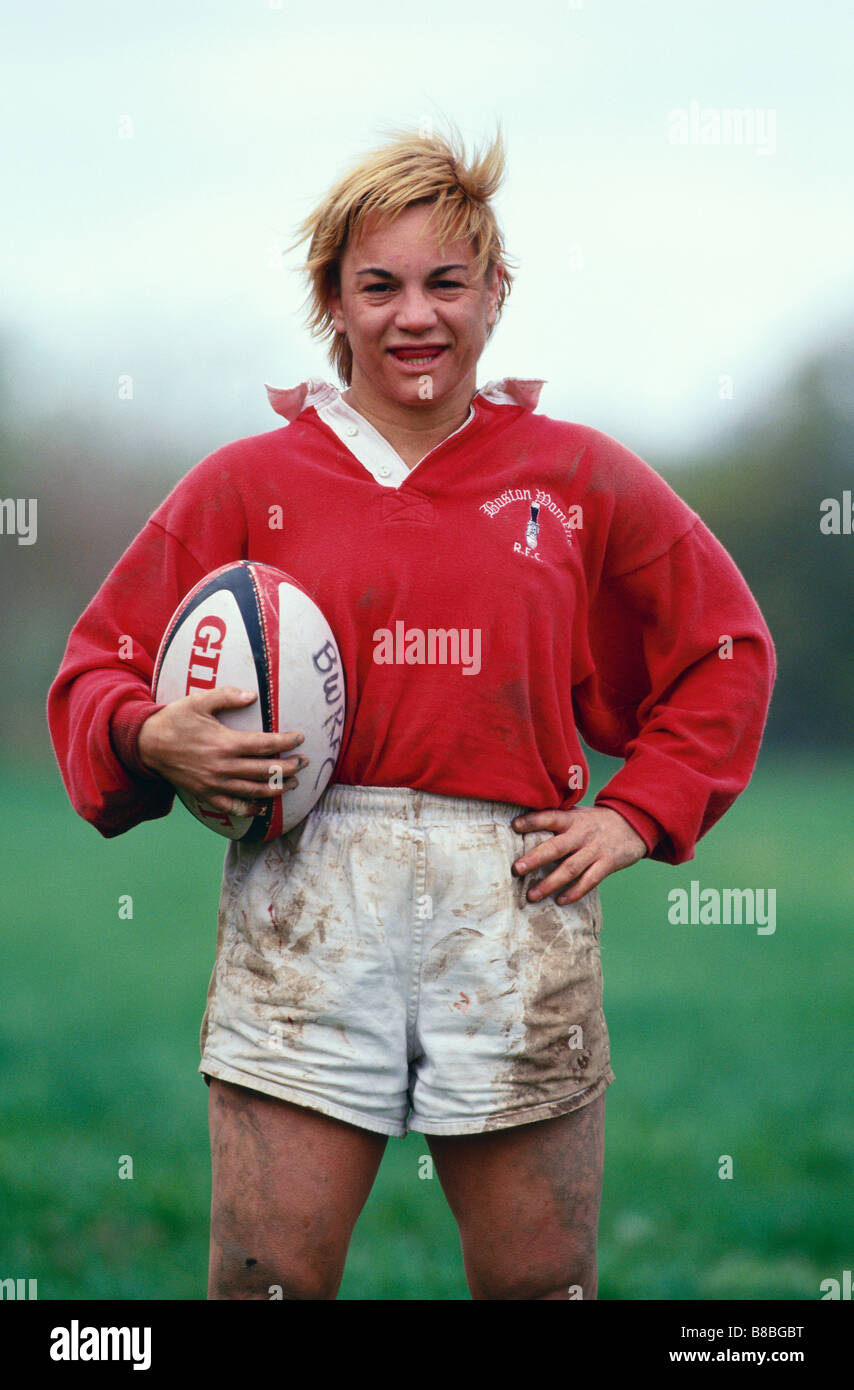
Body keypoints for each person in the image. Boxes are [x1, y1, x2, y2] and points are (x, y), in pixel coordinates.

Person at [47, 126, 776, 1301]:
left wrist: (637, 814)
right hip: (302, 897)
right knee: (264, 1281)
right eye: (375, 284)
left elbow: (725, 648)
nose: (414, 315)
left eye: (446, 282)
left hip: (513, 899)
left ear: (496, 293)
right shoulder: (247, 482)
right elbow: (95, 669)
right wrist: (147, 733)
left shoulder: (577, 475)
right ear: (330, 301)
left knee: (542, 1290)